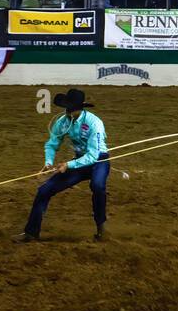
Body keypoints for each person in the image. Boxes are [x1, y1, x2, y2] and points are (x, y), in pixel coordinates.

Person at [14, 89, 111, 243]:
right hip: (78, 161)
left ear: (79, 107)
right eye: (67, 107)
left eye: (70, 107)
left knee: (98, 186)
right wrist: (48, 162)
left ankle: (101, 227)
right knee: (44, 190)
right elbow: (52, 144)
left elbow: (93, 156)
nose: (67, 111)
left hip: (99, 161)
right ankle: (31, 232)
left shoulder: (94, 123)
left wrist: (68, 164)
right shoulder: (63, 122)